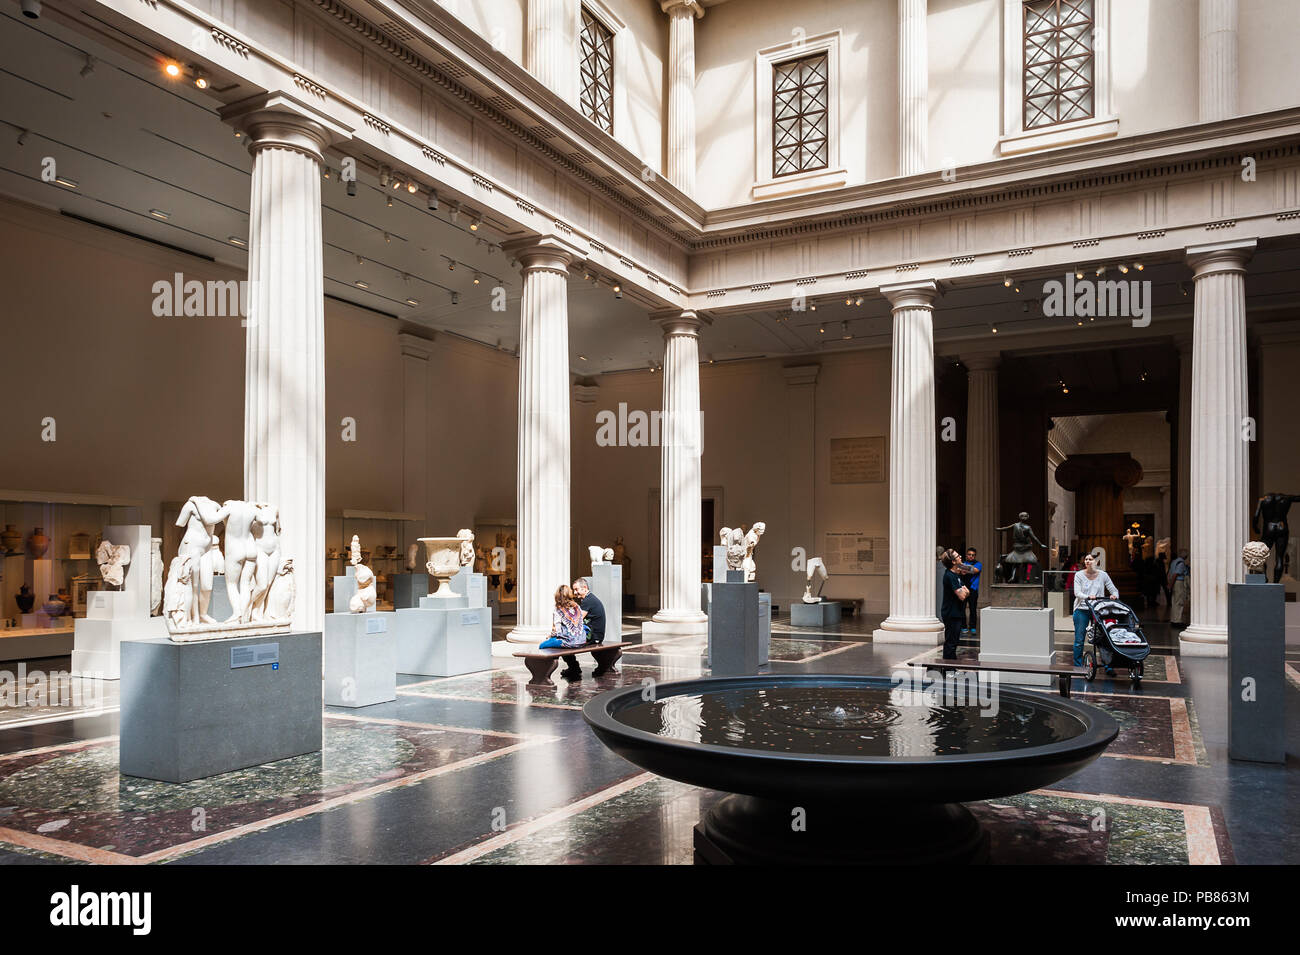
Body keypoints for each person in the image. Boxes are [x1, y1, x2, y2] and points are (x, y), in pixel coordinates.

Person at [1071, 552, 1119, 671]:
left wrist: (1114, 595)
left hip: (1098, 609)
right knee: (1079, 639)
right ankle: (1078, 665)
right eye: (1086, 559)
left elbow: (1114, 590)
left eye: (1090, 559)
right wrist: (1088, 596)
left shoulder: (1103, 575)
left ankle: (1107, 664)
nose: (1087, 561)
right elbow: (1077, 593)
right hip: (1082, 609)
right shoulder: (1079, 575)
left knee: (1103, 637)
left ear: (1096, 562)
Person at [540, 584, 588, 681]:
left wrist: (550, 636)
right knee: (563, 646)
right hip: (581, 640)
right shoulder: (577, 606)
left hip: (569, 641)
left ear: (557, 596)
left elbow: (557, 631)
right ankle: (574, 667)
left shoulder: (558, 609)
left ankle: (544, 674)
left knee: (542, 646)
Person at [939, 553, 969, 660]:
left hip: (957, 612)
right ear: (953, 562)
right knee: (950, 643)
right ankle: (949, 670)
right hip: (951, 613)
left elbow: (967, 592)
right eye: (958, 556)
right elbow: (962, 595)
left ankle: (951, 668)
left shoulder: (956, 575)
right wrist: (964, 591)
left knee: (954, 642)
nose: (961, 556)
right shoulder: (950, 576)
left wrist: (964, 591)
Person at [961, 547, 982, 636]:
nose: (971, 556)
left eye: (973, 555)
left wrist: (964, 568)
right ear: (966, 555)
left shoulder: (978, 564)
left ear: (975, 556)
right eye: (969, 554)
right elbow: (961, 572)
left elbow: (975, 570)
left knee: (973, 609)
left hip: (973, 589)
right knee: (962, 609)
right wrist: (969, 569)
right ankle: (963, 627)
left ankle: (973, 627)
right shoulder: (963, 563)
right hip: (963, 589)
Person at [1168, 549, 1190, 627]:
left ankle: (1174, 619)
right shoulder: (1181, 563)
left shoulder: (1174, 562)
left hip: (1174, 583)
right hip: (1178, 583)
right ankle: (1177, 620)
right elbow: (1175, 574)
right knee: (1179, 602)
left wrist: (1170, 584)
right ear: (1185, 556)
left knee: (1174, 602)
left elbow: (1170, 574)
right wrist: (1170, 585)